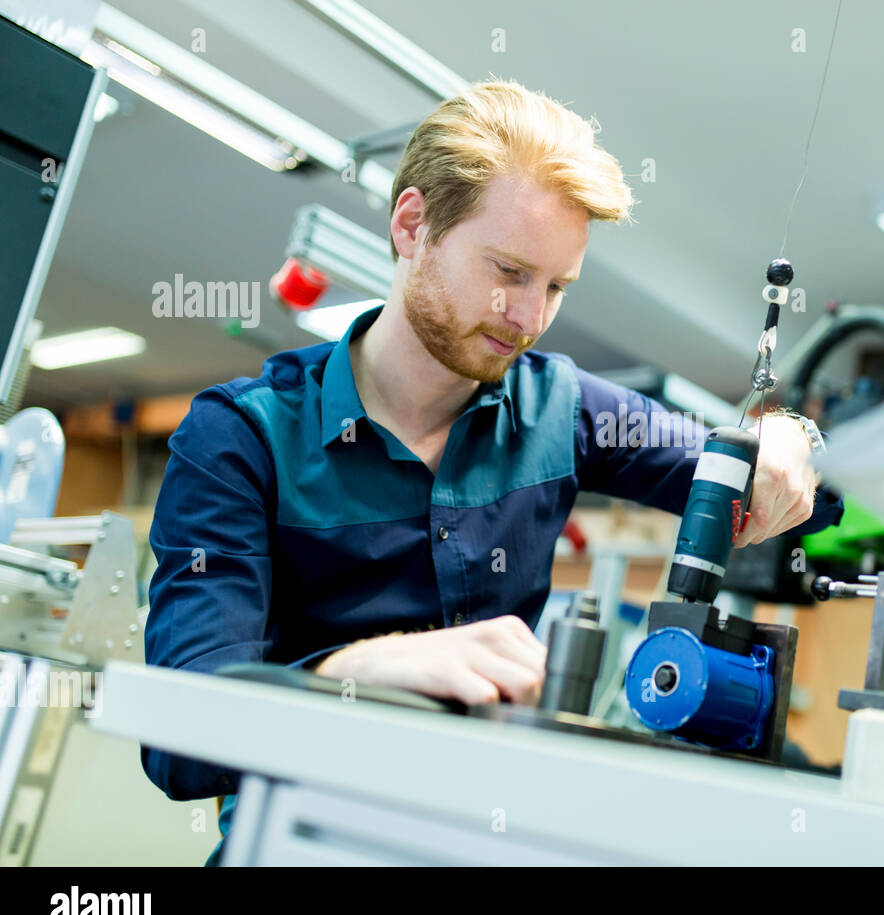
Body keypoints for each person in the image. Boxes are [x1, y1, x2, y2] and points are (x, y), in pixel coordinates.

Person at [142, 79, 842, 861]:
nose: (530, 316)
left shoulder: (563, 409)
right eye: (509, 271)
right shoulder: (243, 436)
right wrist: (360, 671)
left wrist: (787, 436)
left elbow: (777, 480)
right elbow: (177, 735)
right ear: (413, 225)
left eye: (555, 287)